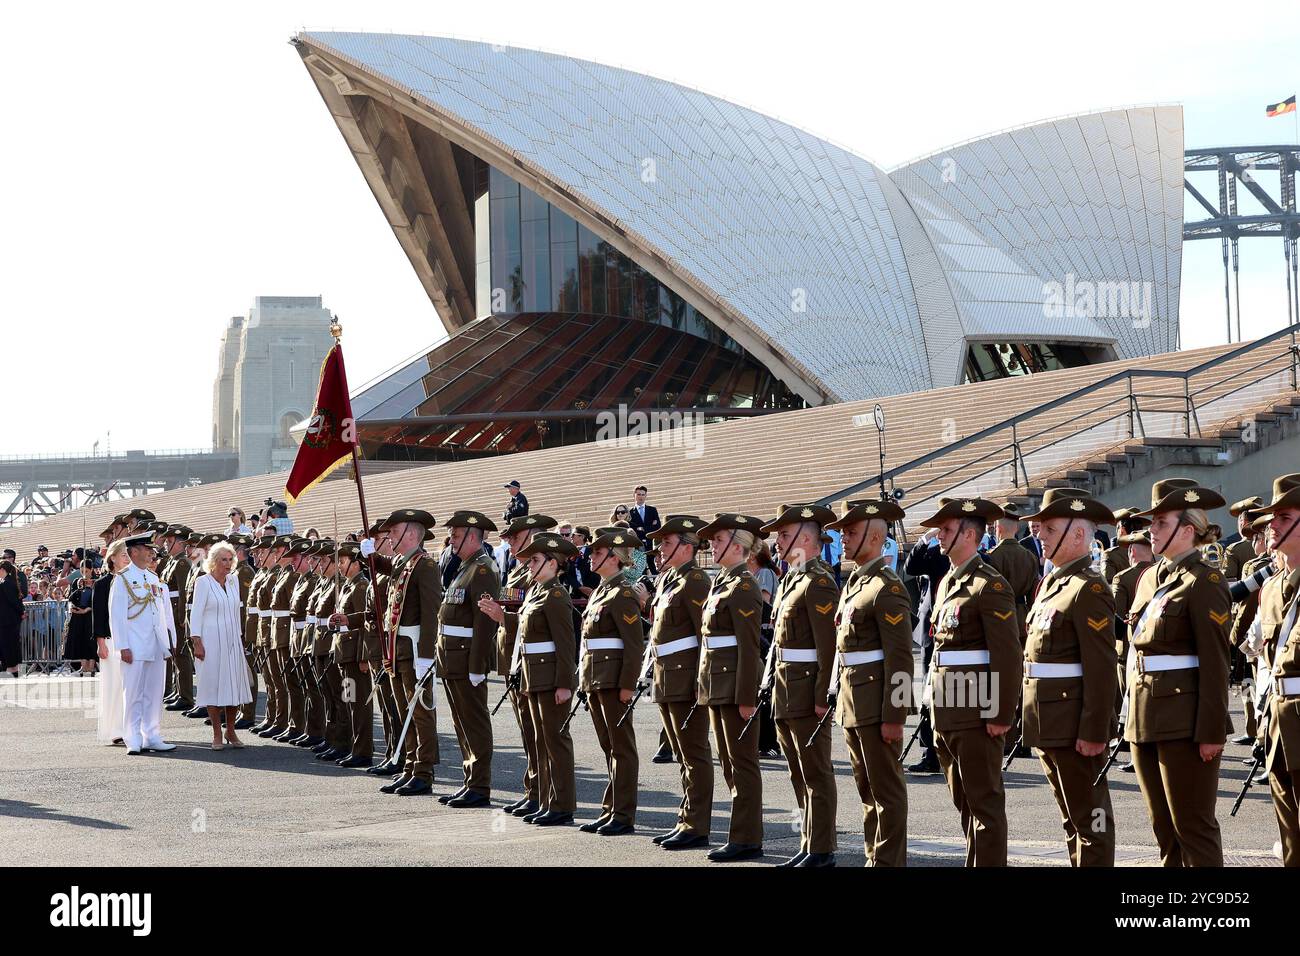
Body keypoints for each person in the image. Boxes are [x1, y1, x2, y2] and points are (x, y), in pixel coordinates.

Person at [1124, 478, 1230, 867]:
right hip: (1144, 717)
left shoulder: (1206, 581)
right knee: (1164, 830)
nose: (1151, 530)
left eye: (1161, 523)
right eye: (1151, 523)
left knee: (1194, 828)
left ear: (1188, 529)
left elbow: (1216, 662)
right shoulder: (1151, 577)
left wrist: (1211, 731)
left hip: (1185, 722)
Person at [920, 497, 1022, 867]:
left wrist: (999, 712)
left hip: (976, 711)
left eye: (946, 530)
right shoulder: (949, 579)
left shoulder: (988, 585)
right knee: (965, 804)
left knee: (985, 804)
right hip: (948, 708)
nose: (939, 536)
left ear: (969, 534)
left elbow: (1007, 655)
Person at [1019, 489, 1118, 866]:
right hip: (1049, 722)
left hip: (1074, 725)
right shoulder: (1054, 584)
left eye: (1049, 528)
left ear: (1077, 535)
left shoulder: (1088, 588)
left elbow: (1101, 666)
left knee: (1092, 821)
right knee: (1072, 820)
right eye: (1039, 527)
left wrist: (1094, 731)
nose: (1039, 534)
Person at [825, 498, 914, 867]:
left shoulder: (887, 587)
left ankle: (889, 862)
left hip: (877, 704)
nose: (843, 538)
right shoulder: (855, 583)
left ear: (875, 538)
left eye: (852, 532)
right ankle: (873, 858)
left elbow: (900, 658)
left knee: (886, 791)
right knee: (866, 789)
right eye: (843, 532)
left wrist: (896, 714)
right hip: (853, 700)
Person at [479, 532, 580, 826]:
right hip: (533, 676)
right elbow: (525, 629)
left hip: (549, 678)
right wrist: (502, 617)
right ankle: (548, 800)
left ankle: (562, 804)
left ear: (552, 563)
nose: (529, 565)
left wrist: (565, 683)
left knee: (555, 742)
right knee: (541, 741)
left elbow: (565, 643)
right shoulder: (538, 592)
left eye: (535, 560)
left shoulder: (556, 594)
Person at [760, 503, 840, 868]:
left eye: (783, 535)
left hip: (808, 691)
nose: (777, 541)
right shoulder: (792, 578)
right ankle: (808, 842)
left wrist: (823, 694)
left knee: (816, 772)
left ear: (804, 538)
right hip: (785, 687)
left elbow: (828, 645)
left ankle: (821, 849)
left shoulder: (819, 580)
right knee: (797, 771)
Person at [694, 513, 767, 862]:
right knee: (728, 763)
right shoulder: (721, 583)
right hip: (715, 683)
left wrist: (747, 697)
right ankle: (740, 834)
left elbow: (749, 647)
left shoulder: (744, 586)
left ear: (737, 547)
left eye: (718, 541)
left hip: (734, 686)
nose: (712, 545)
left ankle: (747, 837)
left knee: (742, 763)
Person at [362, 509, 442, 796]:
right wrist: (370, 555)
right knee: (404, 712)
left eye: (394, 533)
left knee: (420, 713)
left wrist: (425, 656)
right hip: (396, 650)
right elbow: (384, 568)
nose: (389, 537)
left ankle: (423, 771)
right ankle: (409, 766)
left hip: (413, 650)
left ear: (410, 534)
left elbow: (432, 614)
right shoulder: (402, 563)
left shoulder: (425, 566)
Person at [575, 528, 646, 835]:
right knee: (609, 747)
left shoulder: (622, 592)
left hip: (614, 681)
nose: (591, 557)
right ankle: (611, 808)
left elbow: (633, 644)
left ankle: (623, 814)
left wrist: (628, 685)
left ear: (613, 558)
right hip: (596, 678)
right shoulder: (604, 590)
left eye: (596, 553)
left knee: (621, 748)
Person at [1247, 474, 1300, 865]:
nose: (1271, 527)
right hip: (1280, 724)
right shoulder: (1273, 590)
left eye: (1283, 517)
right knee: (1290, 839)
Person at [490, 513, 557, 816]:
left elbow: (526, 616)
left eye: (517, 538)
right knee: (526, 731)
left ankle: (542, 791)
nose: (512, 544)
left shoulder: (540, 574)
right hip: (513, 656)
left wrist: (501, 614)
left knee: (537, 732)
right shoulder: (519, 572)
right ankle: (533, 788)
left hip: (530, 659)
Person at [435, 511, 501, 807]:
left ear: (473, 537)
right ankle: (470, 779)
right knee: (461, 723)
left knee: (474, 722)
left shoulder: (483, 570)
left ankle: (480, 784)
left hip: (466, 660)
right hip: (452, 659)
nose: (451, 540)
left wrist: (477, 666)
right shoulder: (465, 568)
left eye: (457, 536)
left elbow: (484, 623)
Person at [110, 533, 177, 755]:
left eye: (151, 549)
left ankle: (152, 735)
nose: (151, 552)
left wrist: (169, 643)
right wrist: (123, 646)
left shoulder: (153, 578)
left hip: (156, 644)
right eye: (146, 549)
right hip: (135, 645)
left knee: (154, 692)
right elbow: (117, 615)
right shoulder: (123, 578)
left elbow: (162, 614)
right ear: (134, 551)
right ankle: (133, 738)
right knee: (133, 693)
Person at [190, 541, 252, 750]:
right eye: (223, 560)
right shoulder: (203, 582)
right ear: (214, 561)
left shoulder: (234, 581)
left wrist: (240, 637)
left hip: (232, 640)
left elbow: (237, 612)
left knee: (233, 685)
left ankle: (231, 731)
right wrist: (197, 642)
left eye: (230, 559)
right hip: (211, 642)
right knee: (213, 686)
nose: (228, 563)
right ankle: (217, 732)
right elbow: (195, 614)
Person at [904, 527, 950, 775]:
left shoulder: (981, 559)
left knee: (953, 696)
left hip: (953, 636)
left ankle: (946, 750)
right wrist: (926, 538)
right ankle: (930, 752)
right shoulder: (934, 554)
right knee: (928, 696)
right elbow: (910, 569)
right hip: (931, 635)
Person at [327, 540, 374, 768]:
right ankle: (355, 746)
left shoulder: (360, 586)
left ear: (356, 563)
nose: (340, 566)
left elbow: (365, 622)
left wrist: (364, 656)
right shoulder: (347, 585)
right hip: (344, 653)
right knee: (349, 701)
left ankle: (363, 750)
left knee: (359, 705)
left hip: (355, 656)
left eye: (343, 562)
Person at [94, 540, 130, 743]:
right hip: (110, 640)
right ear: (112, 558)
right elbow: (98, 616)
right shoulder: (102, 584)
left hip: (130, 638)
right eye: (123, 555)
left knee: (130, 685)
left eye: (128, 554)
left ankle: (131, 727)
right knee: (114, 685)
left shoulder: (132, 580)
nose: (126, 558)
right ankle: (116, 729)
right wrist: (101, 644)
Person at [62, 564, 97, 675]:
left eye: (86, 571)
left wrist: (87, 610)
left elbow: (99, 601)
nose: (84, 574)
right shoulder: (77, 582)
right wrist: (72, 608)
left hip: (90, 617)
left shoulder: (97, 582)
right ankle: (83, 666)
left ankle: (91, 666)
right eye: (82, 571)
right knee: (80, 641)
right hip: (78, 618)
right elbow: (70, 599)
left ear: (91, 570)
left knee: (90, 641)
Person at [627, 485, 661, 573]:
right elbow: (633, 529)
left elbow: (657, 527)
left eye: (643, 494)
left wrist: (642, 528)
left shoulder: (652, 510)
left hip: (651, 544)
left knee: (654, 569)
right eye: (638, 494)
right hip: (638, 545)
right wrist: (649, 527)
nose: (641, 497)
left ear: (646, 496)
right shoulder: (630, 513)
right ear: (634, 495)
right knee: (640, 570)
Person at [0, 560, 23, 676]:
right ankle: (12, 669)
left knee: (8, 644)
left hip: (7, 620)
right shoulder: (7, 582)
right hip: (9, 619)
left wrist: (21, 611)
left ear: (2, 570)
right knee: (10, 644)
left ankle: (12, 669)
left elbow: (13, 601)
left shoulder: (5, 583)